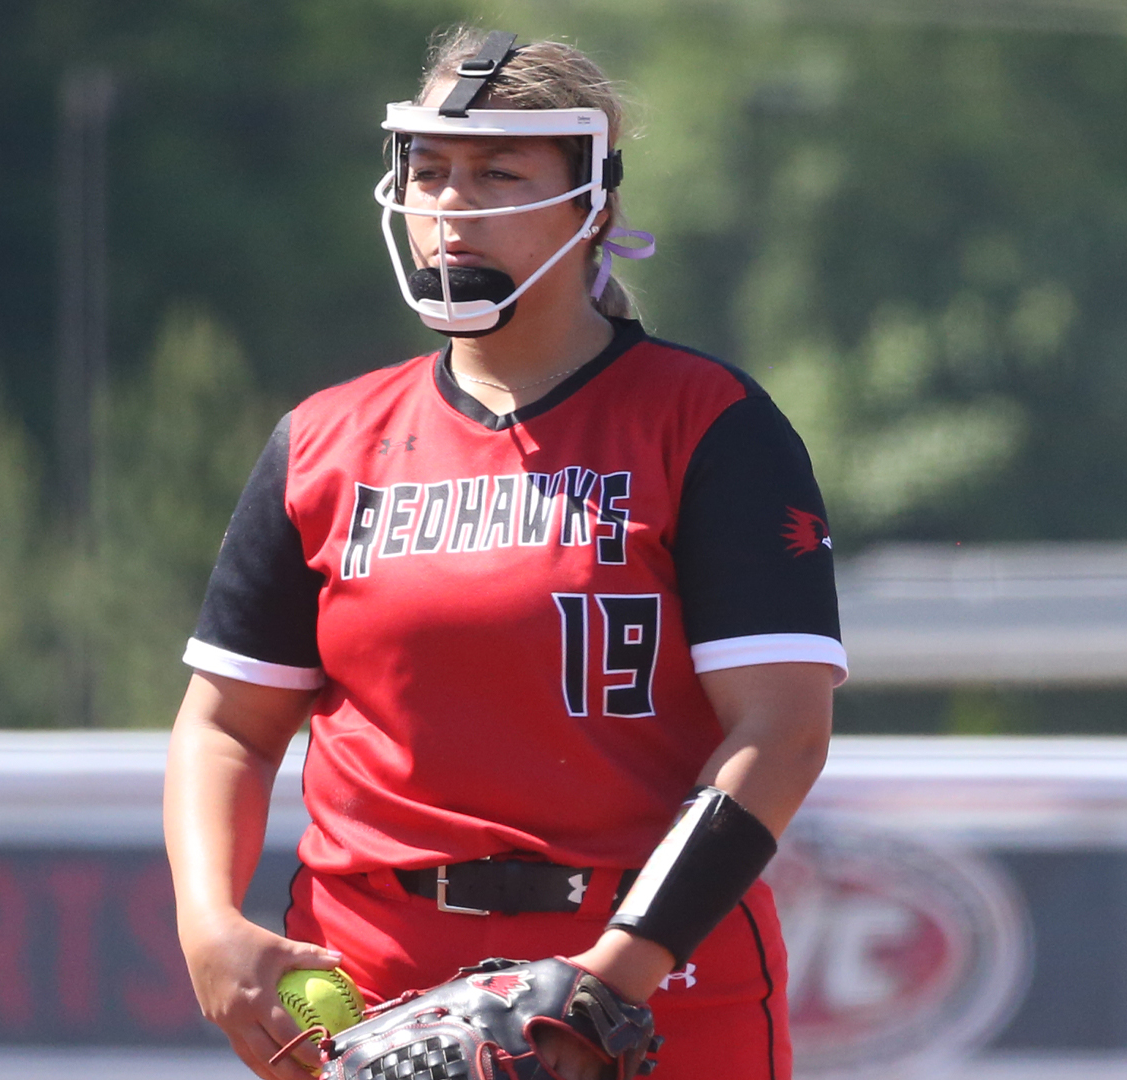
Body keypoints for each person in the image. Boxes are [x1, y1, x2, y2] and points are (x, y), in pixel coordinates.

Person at [165, 26, 844, 1080]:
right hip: (371, 975)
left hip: (654, 971)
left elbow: (784, 730)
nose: (451, 204)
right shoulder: (325, 439)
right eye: (429, 171)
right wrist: (209, 924)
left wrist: (611, 984)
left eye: (497, 172)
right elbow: (227, 728)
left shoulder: (708, 423)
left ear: (594, 202)